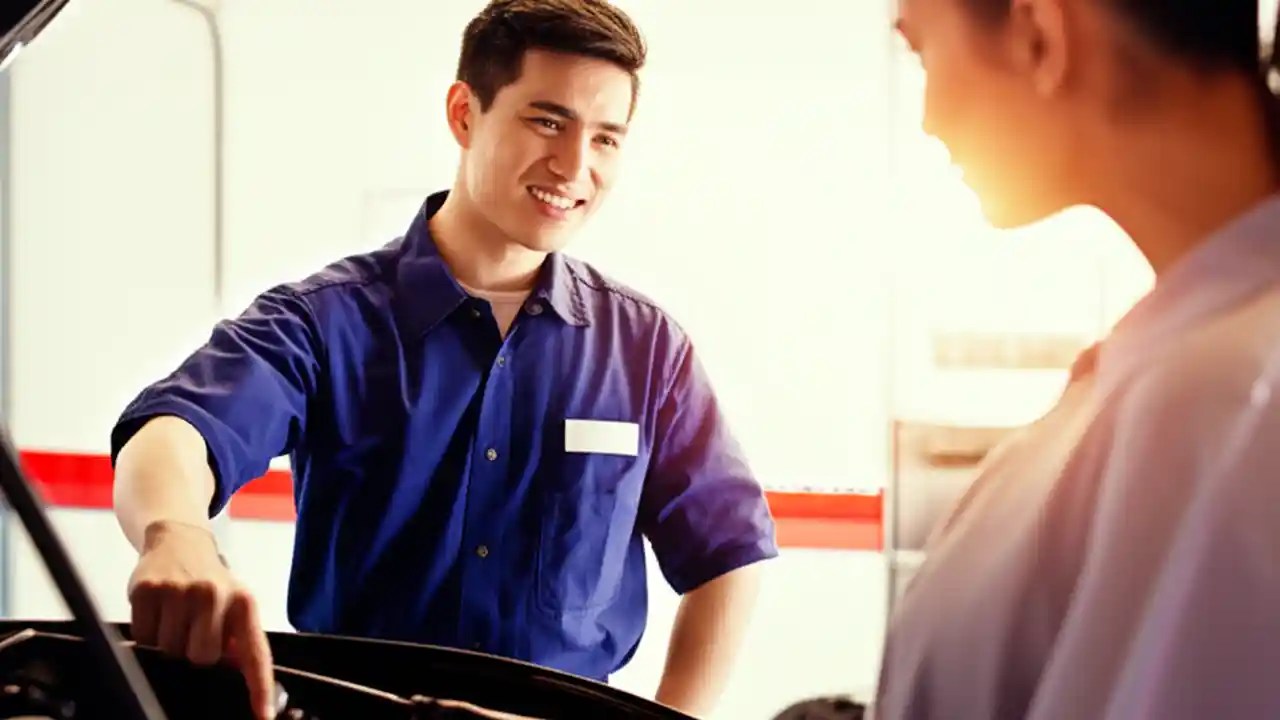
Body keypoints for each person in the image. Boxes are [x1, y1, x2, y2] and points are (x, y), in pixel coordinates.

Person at [109, 2, 778, 718]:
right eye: (547, 121)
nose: (575, 165)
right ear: (465, 113)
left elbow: (729, 556)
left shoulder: (647, 350)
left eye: (606, 138)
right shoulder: (328, 321)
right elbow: (178, 429)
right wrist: (174, 534)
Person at [878, 1, 1280, 718]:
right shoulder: (1188, 360)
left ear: (1041, 34)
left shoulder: (1226, 399)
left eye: (923, 53)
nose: (928, 118)